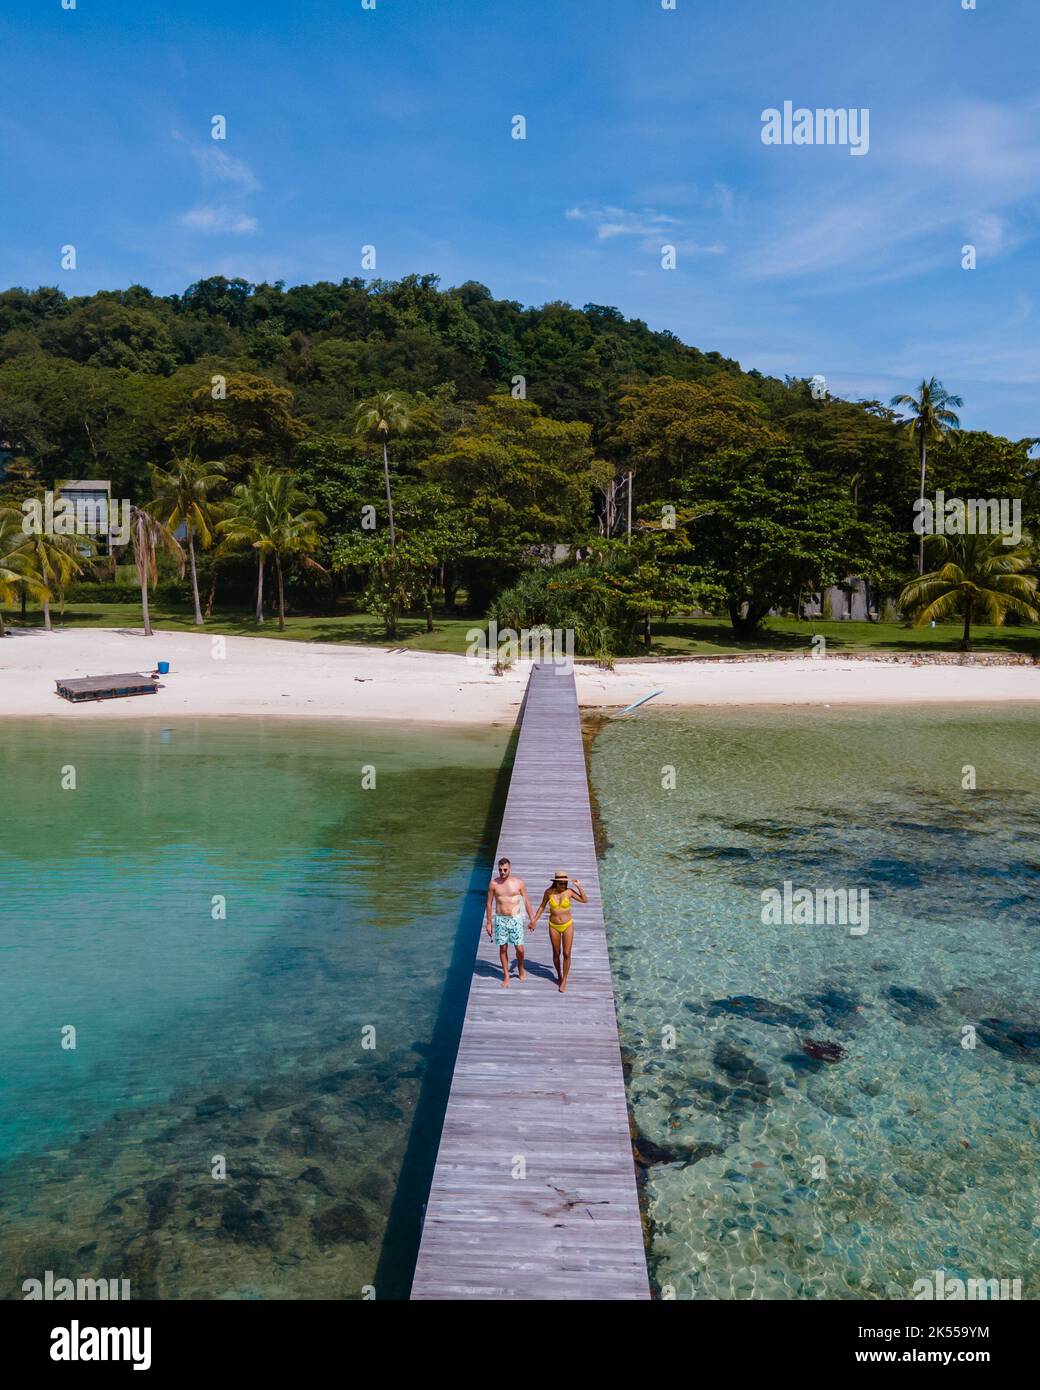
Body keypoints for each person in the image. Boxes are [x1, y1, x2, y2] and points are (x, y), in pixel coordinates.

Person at [531, 870, 588, 993]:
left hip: (568, 925)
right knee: (556, 953)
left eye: (564, 883)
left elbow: (584, 900)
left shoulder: (569, 892)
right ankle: (559, 975)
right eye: (560, 883)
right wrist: (534, 920)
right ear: (556, 883)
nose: (563, 886)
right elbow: (542, 907)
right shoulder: (549, 892)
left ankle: (565, 980)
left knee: (567, 953)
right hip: (553, 925)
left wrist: (578, 886)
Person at [485, 857, 535, 988]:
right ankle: (506, 975)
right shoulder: (493, 884)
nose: (502, 872)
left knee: (520, 948)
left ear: (510, 869)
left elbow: (527, 902)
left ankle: (521, 968)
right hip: (500, 919)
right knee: (503, 948)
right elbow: (489, 904)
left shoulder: (518, 883)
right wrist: (489, 923)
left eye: (505, 869)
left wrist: (532, 919)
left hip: (515, 918)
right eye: (500, 870)